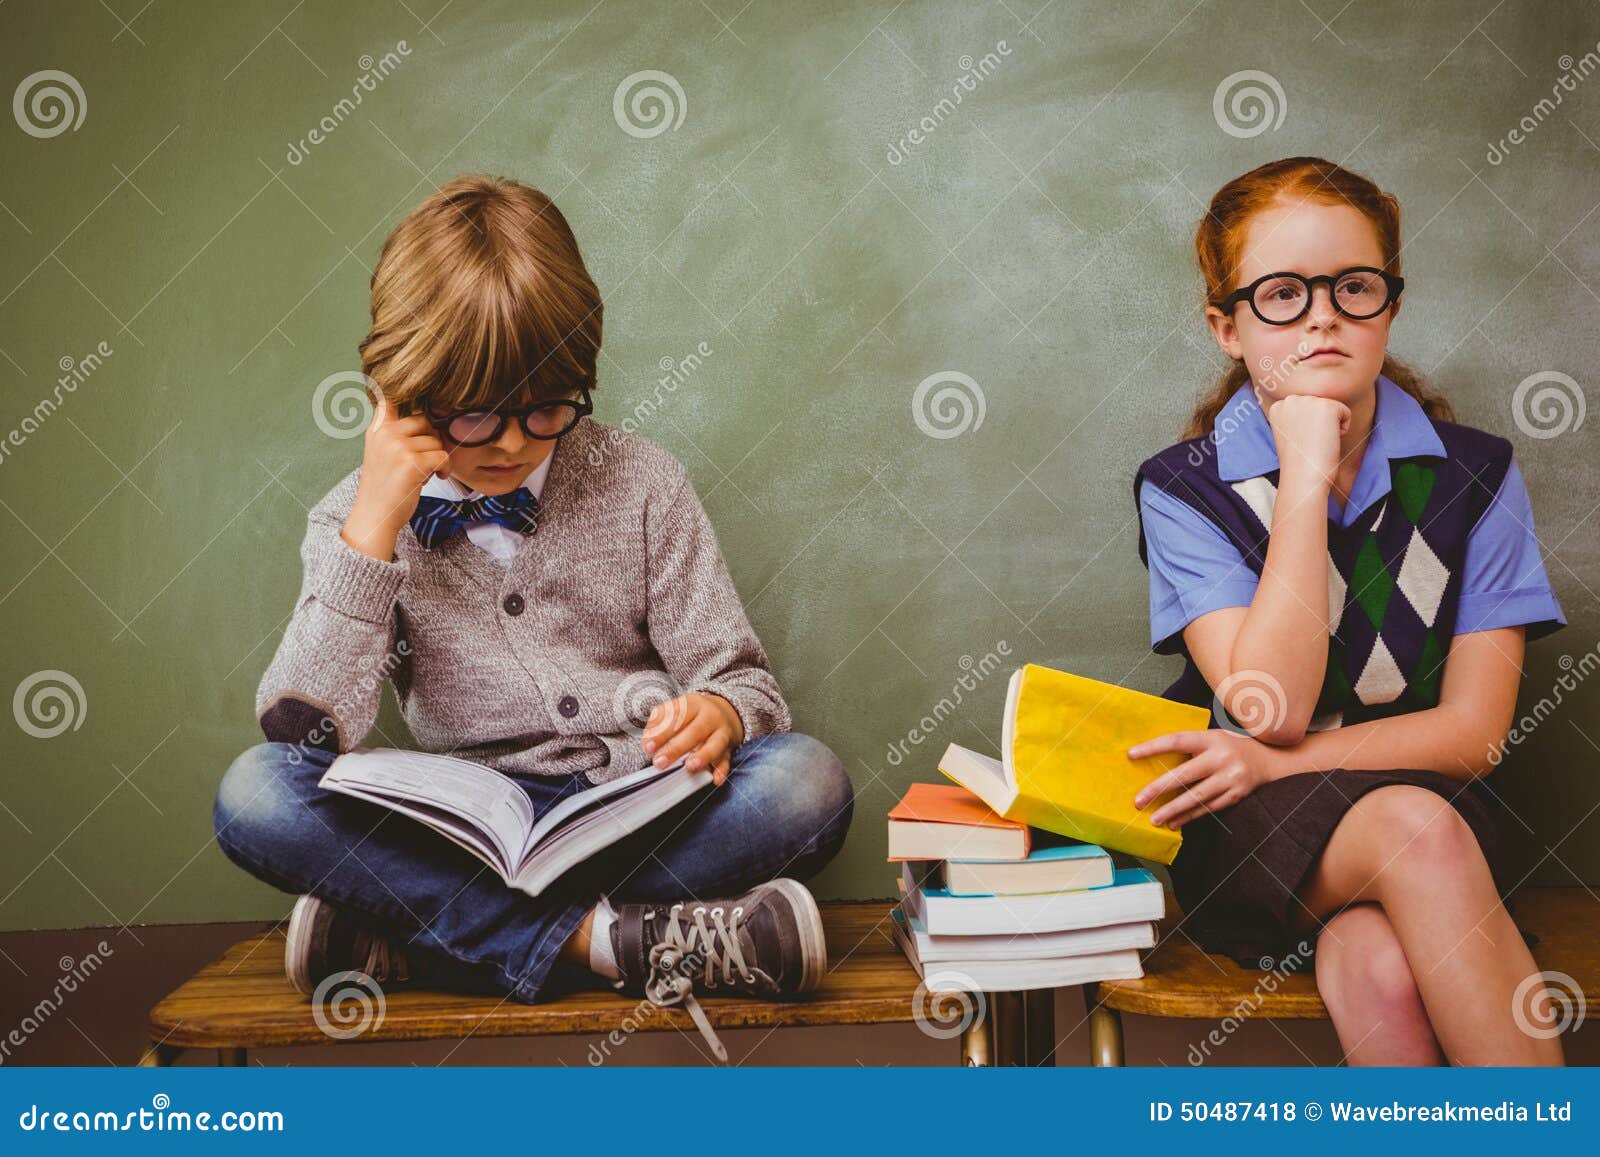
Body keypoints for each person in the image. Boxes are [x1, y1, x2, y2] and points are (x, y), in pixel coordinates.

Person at [212, 174, 854, 1061]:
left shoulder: (641, 483)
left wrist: (720, 714)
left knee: (806, 782)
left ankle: (413, 936)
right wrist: (375, 528)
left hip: (627, 818)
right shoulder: (357, 519)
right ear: (402, 393)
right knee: (253, 791)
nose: (513, 441)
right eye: (475, 413)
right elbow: (309, 732)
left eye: (548, 405)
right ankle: (611, 943)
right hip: (467, 839)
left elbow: (743, 682)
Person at [1129, 156, 1567, 1065]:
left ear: (1389, 306)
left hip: (1431, 806)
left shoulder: (1474, 476)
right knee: (1413, 833)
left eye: (1354, 287)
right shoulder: (1183, 489)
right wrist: (1301, 475)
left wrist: (1269, 758)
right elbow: (1270, 706)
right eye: (1283, 293)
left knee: (1377, 961)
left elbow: (1475, 734)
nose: (1323, 314)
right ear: (1227, 325)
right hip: (1255, 825)